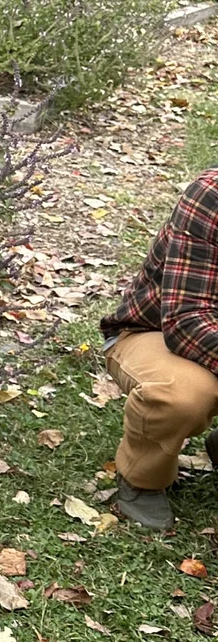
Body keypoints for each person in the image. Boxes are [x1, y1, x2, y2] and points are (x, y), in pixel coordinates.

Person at [101, 168, 218, 529]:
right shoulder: (212, 194)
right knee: (181, 396)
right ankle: (142, 476)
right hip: (157, 331)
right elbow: (186, 319)